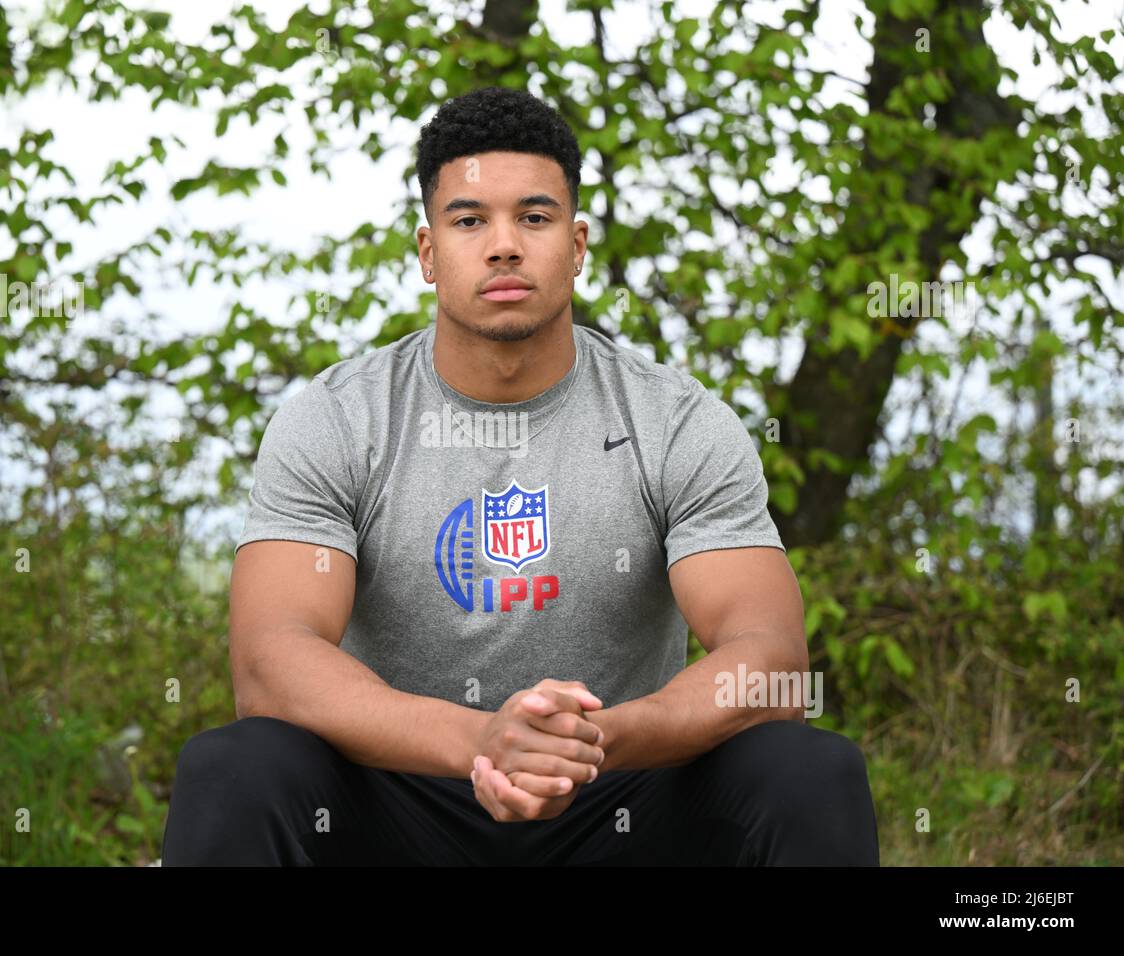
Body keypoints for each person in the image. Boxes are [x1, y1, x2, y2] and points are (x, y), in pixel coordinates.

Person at [161, 86, 879, 866]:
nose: (503, 245)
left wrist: (590, 740)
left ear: (575, 245)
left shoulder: (674, 420)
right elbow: (271, 660)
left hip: (617, 798)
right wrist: (481, 740)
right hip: (402, 805)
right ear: (429, 253)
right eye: (470, 220)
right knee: (235, 766)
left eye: (533, 219)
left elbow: (769, 660)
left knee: (807, 768)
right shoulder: (338, 419)